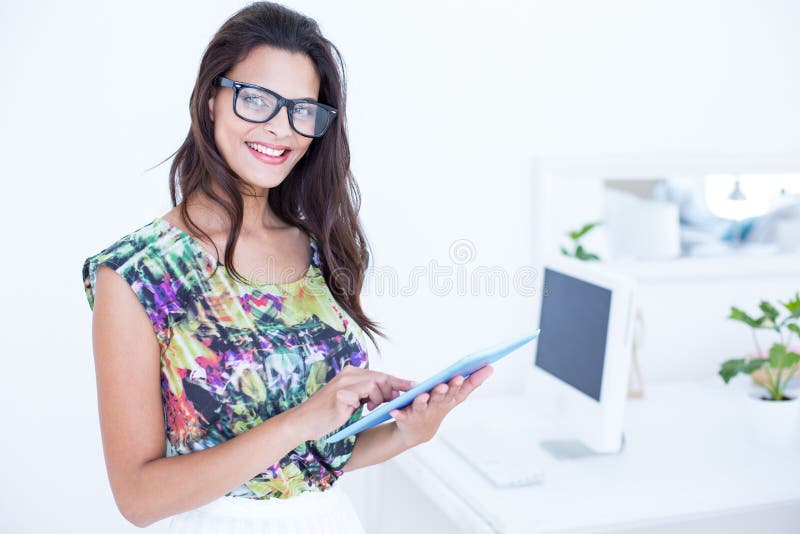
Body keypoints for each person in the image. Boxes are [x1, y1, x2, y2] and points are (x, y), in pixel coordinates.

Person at [81, 2, 493, 533]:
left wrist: (407, 431)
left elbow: (312, 460)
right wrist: (304, 419)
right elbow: (138, 498)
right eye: (256, 100)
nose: (281, 130)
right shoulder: (138, 275)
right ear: (211, 99)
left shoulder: (318, 246)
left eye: (303, 110)